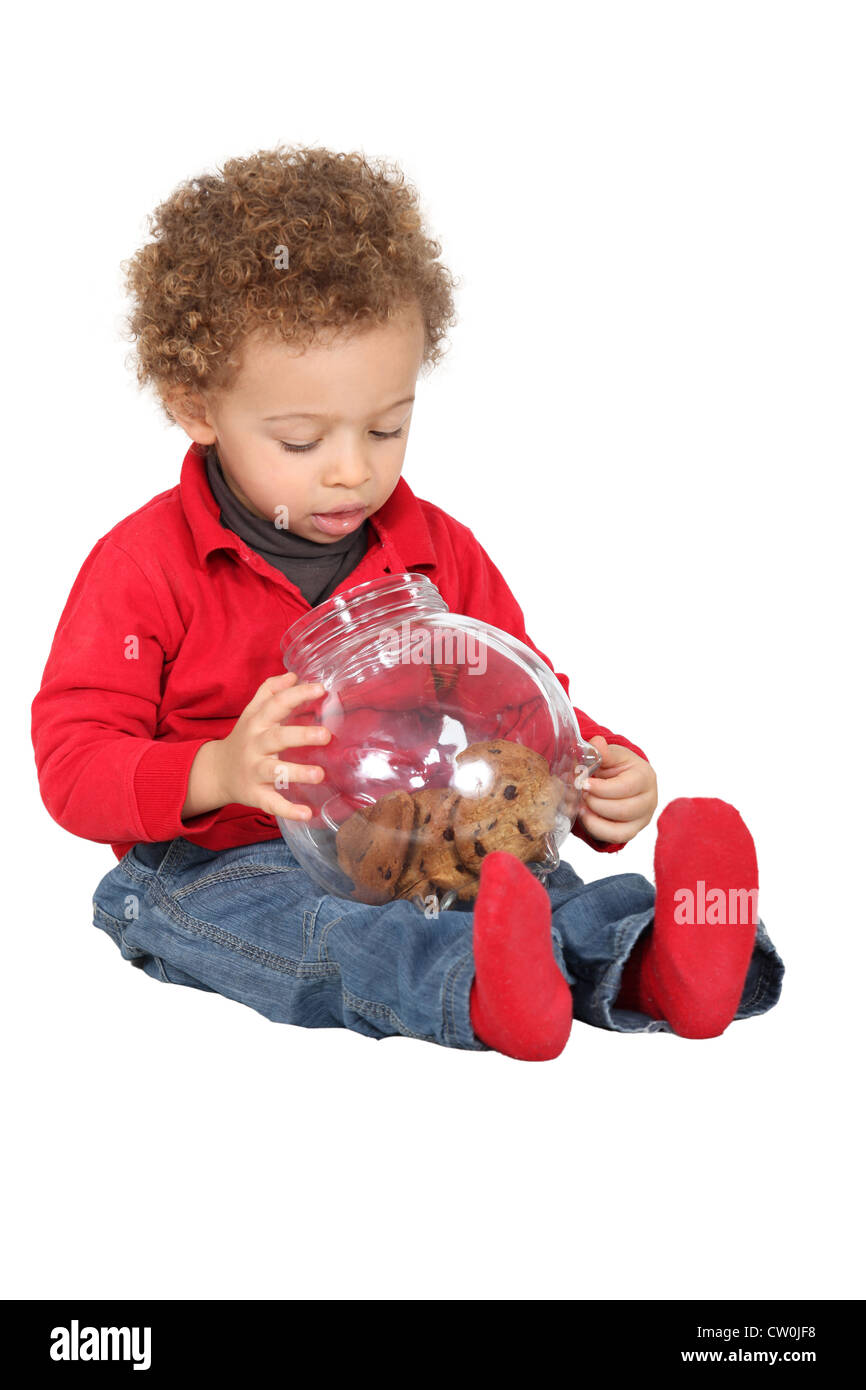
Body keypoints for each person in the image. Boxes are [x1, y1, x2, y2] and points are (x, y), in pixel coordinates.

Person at [30, 145, 784, 1061]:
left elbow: (515, 696)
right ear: (197, 408)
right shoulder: (143, 567)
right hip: (220, 863)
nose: (355, 468)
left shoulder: (437, 553)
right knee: (326, 937)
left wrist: (589, 763)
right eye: (303, 441)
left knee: (542, 890)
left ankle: (671, 962)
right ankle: (485, 996)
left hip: (425, 837)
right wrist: (217, 773)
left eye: (388, 426)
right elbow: (74, 767)